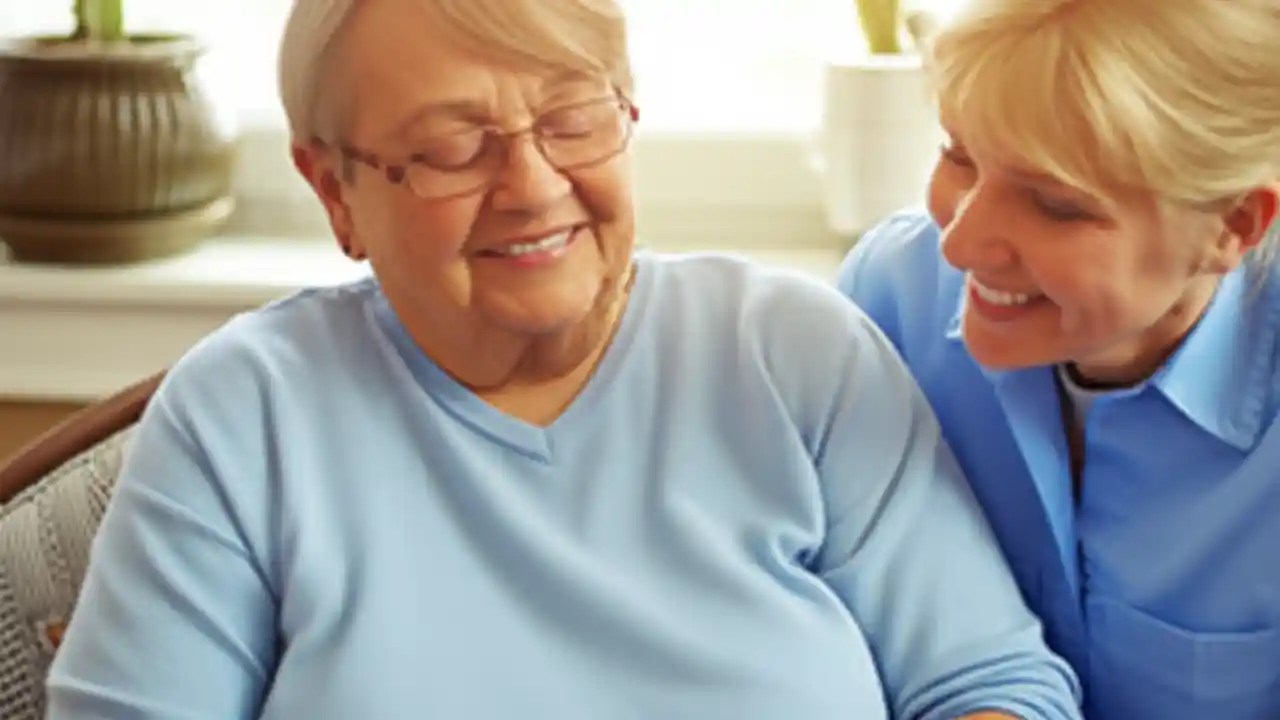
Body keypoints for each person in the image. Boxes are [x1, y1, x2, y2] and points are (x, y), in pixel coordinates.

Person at [43, 0, 1081, 718]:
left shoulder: (790, 351)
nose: (533, 187)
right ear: (334, 192)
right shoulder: (243, 414)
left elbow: (991, 684)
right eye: (454, 148)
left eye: (573, 119)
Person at [836, 0, 1280, 718]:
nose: (960, 245)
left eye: (1055, 205)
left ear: (1231, 224)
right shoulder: (890, 299)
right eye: (959, 156)